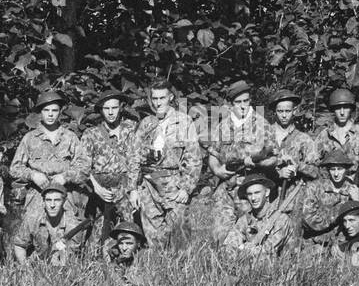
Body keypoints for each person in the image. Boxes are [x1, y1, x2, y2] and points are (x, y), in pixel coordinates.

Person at [127, 81, 203, 244]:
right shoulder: (146, 123)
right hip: (148, 185)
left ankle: (182, 268)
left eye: (162, 98)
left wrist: (186, 188)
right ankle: (157, 266)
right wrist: (133, 189)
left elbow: (193, 157)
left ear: (170, 97)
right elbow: (134, 157)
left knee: (179, 235)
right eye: (154, 98)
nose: (158, 102)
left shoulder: (184, 122)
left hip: (173, 183)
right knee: (153, 235)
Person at [207, 79, 274, 241]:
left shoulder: (262, 125)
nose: (243, 105)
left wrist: (258, 163)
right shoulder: (222, 127)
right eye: (238, 102)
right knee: (219, 237)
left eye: (246, 101)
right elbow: (213, 156)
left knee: (248, 238)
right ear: (231, 104)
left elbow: (274, 158)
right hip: (227, 189)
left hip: (251, 191)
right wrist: (217, 170)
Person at [10, 89, 89, 220]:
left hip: (65, 196)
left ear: (60, 112)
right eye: (46, 110)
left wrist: (65, 177)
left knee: (69, 234)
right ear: (40, 112)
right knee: (35, 233)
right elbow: (14, 168)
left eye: (54, 110)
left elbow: (84, 168)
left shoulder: (70, 137)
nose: (50, 115)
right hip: (38, 195)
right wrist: (33, 175)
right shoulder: (30, 138)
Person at [80, 88, 138, 246]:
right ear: (101, 110)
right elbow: (83, 166)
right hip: (99, 189)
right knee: (97, 233)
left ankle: (128, 264)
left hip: (123, 188)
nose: (111, 112)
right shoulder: (91, 134)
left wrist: (132, 190)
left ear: (121, 107)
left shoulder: (131, 132)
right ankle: (92, 263)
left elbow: (134, 162)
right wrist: (97, 189)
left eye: (114, 107)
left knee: (128, 230)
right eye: (106, 108)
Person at [256, 88, 320, 225]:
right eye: (280, 111)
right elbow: (253, 162)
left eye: (288, 111)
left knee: (291, 236)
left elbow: (315, 171)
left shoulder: (303, 139)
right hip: (264, 194)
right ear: (274, 112)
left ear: (294, 111)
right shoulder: (263, 135)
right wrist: (278, 172)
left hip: (292, 195)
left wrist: (297, 167)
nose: (284, 115)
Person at [314, 88, 359, 188]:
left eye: (345, 107)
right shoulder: (325, 135)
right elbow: (312, 162)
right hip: (330, 189)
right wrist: (323, 178)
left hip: (356, 188)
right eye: (338, 108)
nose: (342, 112)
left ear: (351, 108)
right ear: (333, 109)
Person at [301, 148, 359, 247]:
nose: (336, 174)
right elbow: (309, 221)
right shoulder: (314, 187)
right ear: (328, 170)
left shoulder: (353, 189)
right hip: (316, 242)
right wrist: (338, 212)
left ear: (346, 170)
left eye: (340, 169)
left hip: (343, 240)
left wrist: (357, 201)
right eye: (332, 169)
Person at [11, 184, 85, 264]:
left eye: (57, 200)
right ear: (43, 201)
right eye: (48, 200)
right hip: (35, 264)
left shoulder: (73, 226)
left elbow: (70, 260)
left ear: (64, 201)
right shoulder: (32, 218)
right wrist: (25, 265)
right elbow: (19, 244)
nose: (52, 205)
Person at [224, 173, 292, 258]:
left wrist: (244, 250)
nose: (253, 198)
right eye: (249, 194)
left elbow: (268, 250)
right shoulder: (245, 219)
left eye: (257, 193)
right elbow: (229, 244)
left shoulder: (281, 219)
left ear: (267, 192)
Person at [329, 199, 359, 267]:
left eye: (351, 220)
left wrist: (340, 254)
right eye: (344, 221)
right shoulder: (343, 234)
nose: (347, 226)